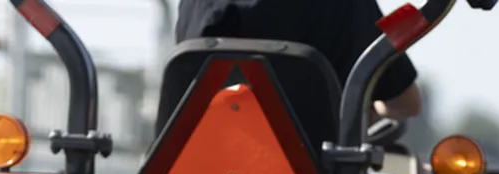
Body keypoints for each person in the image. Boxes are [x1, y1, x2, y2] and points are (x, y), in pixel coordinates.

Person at [175, 0, 424, 121]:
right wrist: (369, 108)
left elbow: (184, 78)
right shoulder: (348, 5)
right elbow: (407, 103)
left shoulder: (199, 3)